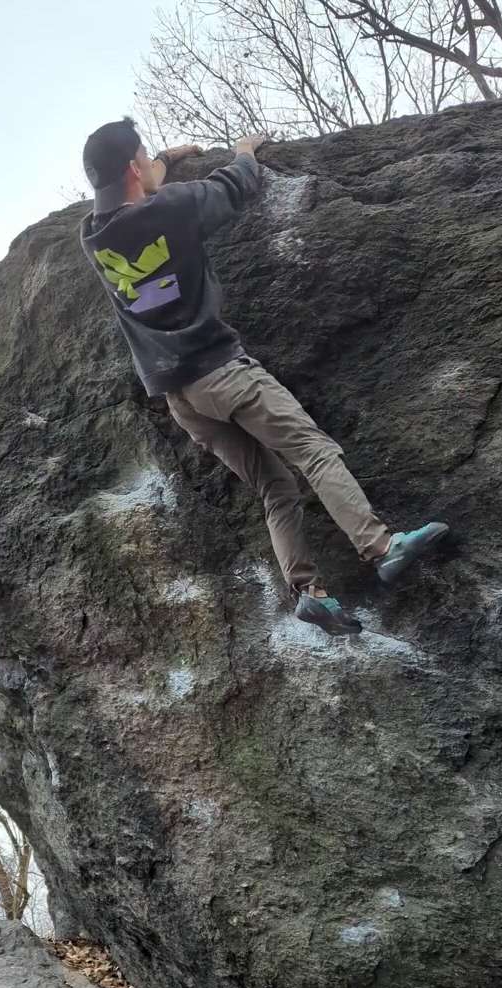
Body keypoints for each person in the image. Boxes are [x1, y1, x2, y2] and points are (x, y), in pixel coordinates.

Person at [80, 118, 448, 637]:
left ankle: (309, 594)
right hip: (222, 372)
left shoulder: (92, 237)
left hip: (180, 398)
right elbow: (236, 184)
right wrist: (244, 149)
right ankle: (381, 547)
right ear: (133, 169)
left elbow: (134, 187)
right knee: (314, 452)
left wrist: (165, 157)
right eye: (144, 156)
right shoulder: (175, 207)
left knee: (275, 486)